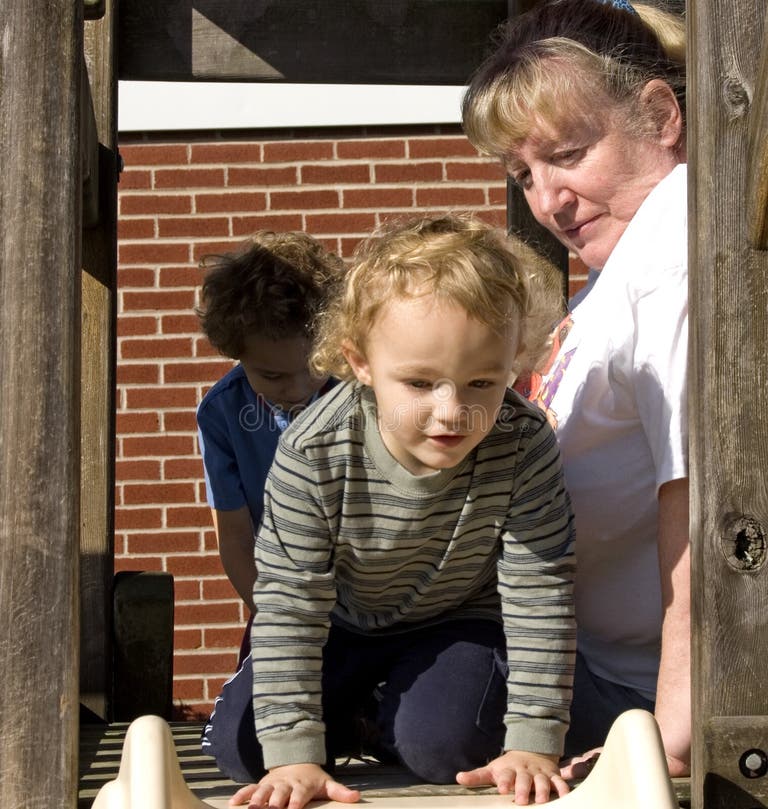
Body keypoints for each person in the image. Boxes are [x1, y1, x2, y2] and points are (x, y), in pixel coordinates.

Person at [207, 213, 576, 808]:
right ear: (359, 363)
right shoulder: (313, 451)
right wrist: (292, 758)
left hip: (457, 621)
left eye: (483, 382)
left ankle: (392, 713)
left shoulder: (522, 442)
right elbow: (290, 601)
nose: (452, 411)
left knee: (447, 749)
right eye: (421, 382)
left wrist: (536, 740)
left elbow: (541, 589)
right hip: (339, 624)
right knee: (247, 748)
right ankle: (355, 713)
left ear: (515, 360)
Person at [462, 0, 690, 777]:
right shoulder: (623, 264)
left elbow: (700, 495)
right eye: (525, 174)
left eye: (569, 152)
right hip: (571, 660)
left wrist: (671, 739)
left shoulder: (676, 252)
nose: (549, 201)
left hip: (622, 690)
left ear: (660, 115)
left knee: (436, 712)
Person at [195, 231, 344, 633]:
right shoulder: (222, 414)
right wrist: (281, 624)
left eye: (314, 366)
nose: (295, 390)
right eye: (272, 375)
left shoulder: (360, 391)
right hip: (286, 598)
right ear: (236, 353)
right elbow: (236, 540)